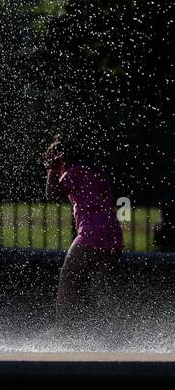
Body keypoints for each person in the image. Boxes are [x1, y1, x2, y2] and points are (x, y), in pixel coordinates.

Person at [43, 133, 123, 334]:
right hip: (114, 237)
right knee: (101, 286)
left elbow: (52, 194)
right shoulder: (99, 172)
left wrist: (52, 170)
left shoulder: (74, 172)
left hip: (90, 235)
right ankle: (121, 331)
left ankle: (62, 329)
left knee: (68, 277)